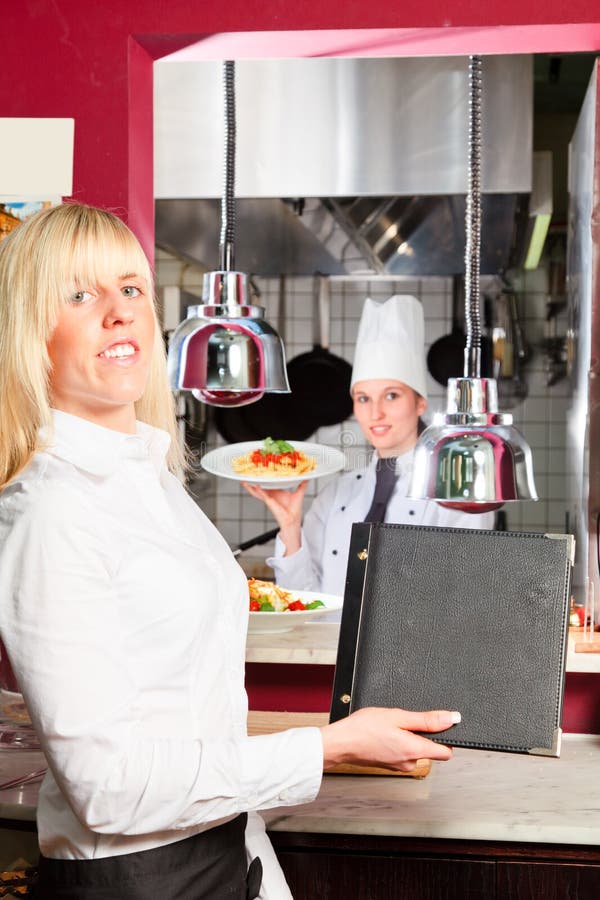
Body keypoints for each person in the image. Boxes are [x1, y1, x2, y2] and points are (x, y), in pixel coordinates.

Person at [0, 204, 462, 900]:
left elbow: (195, 719)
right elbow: (106, 789)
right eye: (79, 295)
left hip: (223, 848)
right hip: (140, 880)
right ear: (33, 336)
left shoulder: (152, 477)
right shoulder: (52, 512)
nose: (119, 312)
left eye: (131, 288)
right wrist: (329, 746)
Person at [245, 295, 495, 596]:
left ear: (420, 403)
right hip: (331, 631)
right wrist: (289, 526)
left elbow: (466, 595)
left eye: (391, 395)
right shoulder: (337, 494)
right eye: (363, 398)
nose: (375, 413)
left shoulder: (457, 492)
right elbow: (301, 598)